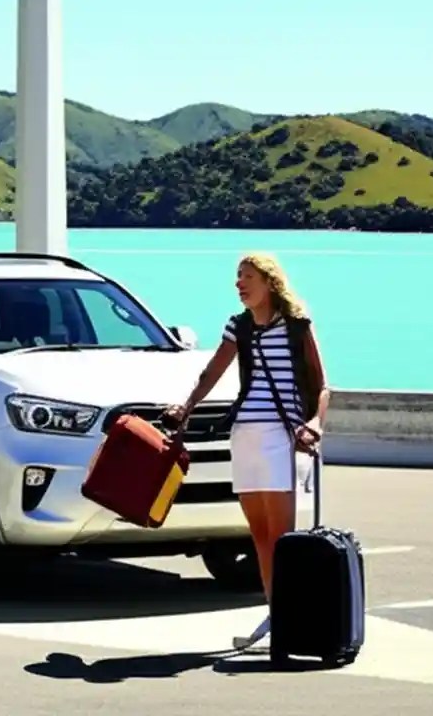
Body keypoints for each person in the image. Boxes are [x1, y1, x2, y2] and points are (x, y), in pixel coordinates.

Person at [163, 253, 329, 650]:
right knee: (259, 536)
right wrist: (186, 407)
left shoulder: (296, 325)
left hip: (280, 434)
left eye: (247, 277)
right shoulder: (238, 326)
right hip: (245, 434)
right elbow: (213, 372)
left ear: (269, 282)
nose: (239, 284)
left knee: (283, 536)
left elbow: (322, 384)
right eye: (238, 277)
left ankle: (291, 617)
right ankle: (275, 614)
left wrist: (315, 423)